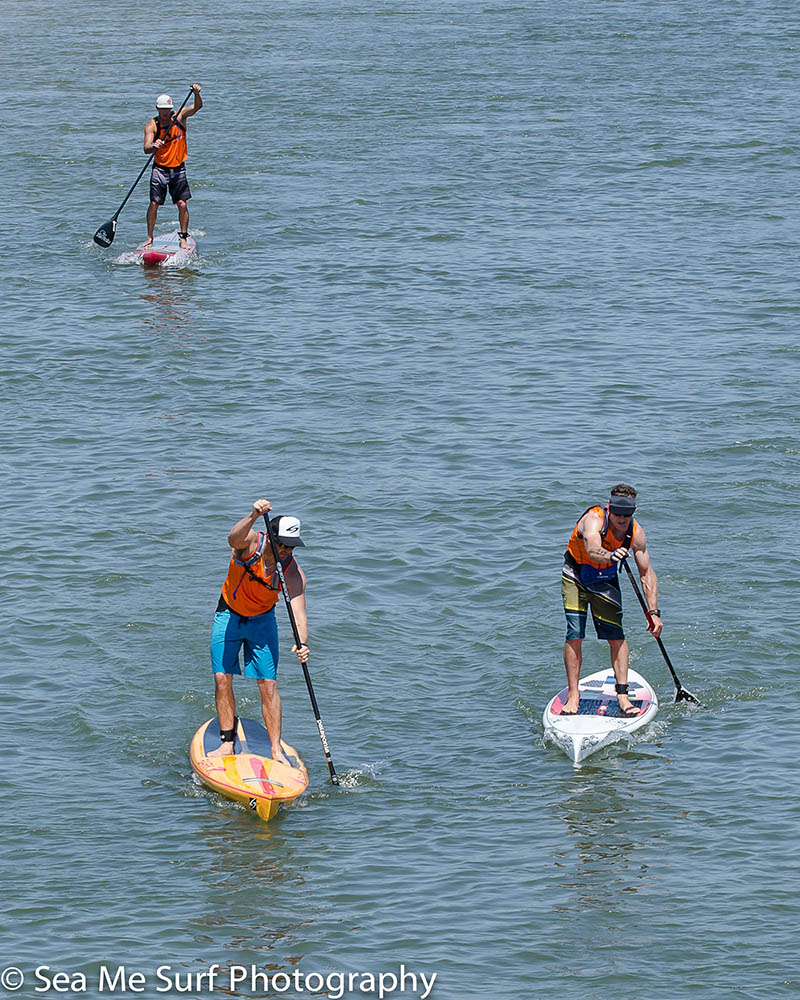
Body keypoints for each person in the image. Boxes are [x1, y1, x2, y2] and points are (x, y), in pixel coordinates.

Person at [209, 499, 309, 764]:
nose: (286, 550)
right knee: (222, 677)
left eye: (291, 546)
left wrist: (302, 643)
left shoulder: (292, 573)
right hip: (229, 614)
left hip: (262, 621)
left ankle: (276, 751)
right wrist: (253, 515)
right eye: (282, 544)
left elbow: (299, 615)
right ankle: (227, 743)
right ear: (271, 537)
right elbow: (232, 539)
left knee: (268, 684)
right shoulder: (250, 543)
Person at [560, 484, 663, 717]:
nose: (622, 519)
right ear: (609, 508)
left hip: (605, 579)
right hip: (576, 575)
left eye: (627, 514)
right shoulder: (594, 520)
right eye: (617, 513)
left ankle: (623, 696)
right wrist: (612, 555)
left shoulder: (636, 533)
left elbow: (646, 573)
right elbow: (593, 549)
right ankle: (573, 695)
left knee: (616, 637)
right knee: (575, 634)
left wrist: (653, 613)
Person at [143, 84, 203, 250]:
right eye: (162, 109)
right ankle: (149, 238)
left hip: (178, 168)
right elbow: (146, 148)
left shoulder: (179, 117)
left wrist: (196, 94)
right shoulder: (152, 126)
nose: (165, 112)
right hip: (159, 169)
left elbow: (197, 107)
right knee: (154, 204)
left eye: (168, 109)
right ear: (157, 109)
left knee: (182, 204)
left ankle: (183, 238)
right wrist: (154, 145)